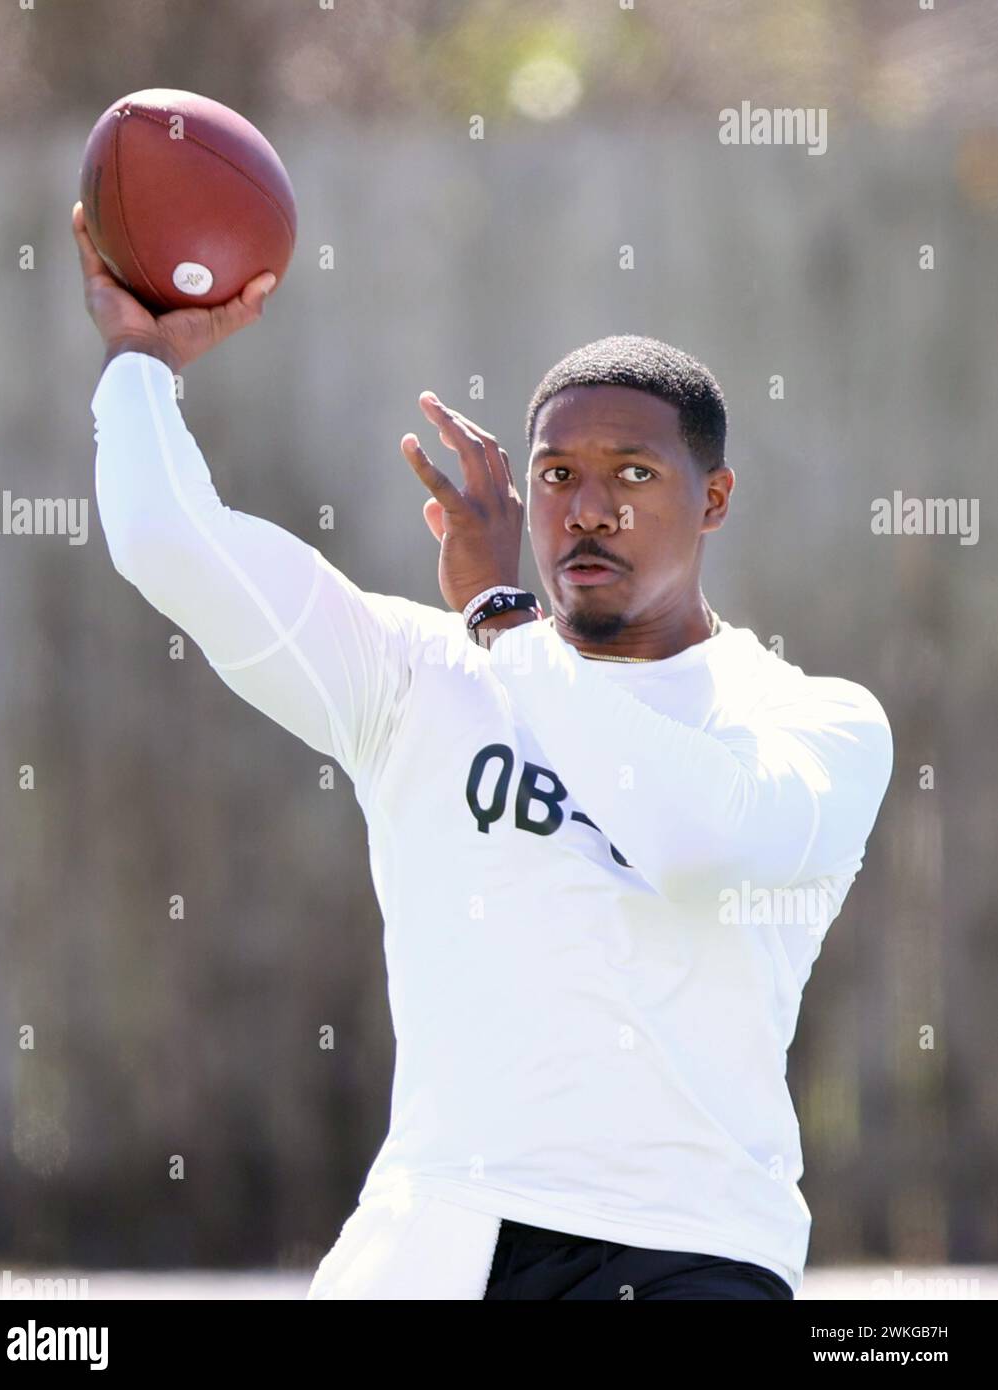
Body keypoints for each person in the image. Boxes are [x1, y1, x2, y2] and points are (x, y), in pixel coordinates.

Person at [73, 201, 893, 1300]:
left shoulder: (812, 720)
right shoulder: (423, 676)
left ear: (716, 499)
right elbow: (172, 542)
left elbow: (700, 843)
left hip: (689, 1250)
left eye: (635, 475)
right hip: (432, 1240)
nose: (589, 509)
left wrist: (508, 623)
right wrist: (139, 363)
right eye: (557, 475)